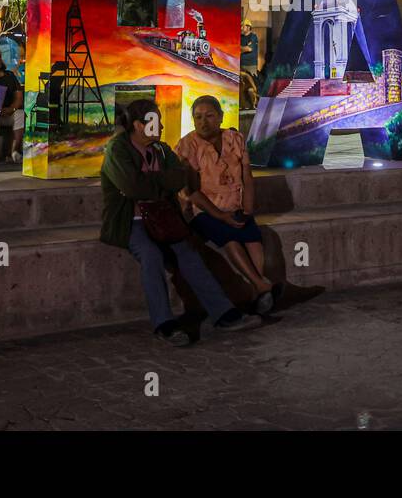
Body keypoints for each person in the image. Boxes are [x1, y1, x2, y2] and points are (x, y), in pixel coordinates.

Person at [100, 98, 257, 344]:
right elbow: (131, 187)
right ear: (140, 125)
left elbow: (179, 179)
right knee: (150, 255)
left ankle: (224, 313)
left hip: (164, 218)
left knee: (188, 253)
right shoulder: (117, 149)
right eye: (156, 122)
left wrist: (153, 183)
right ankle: (165, 323)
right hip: (131, 221)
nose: (161, 127)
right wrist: (161, 182)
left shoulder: (161, 150)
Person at [176, 95, 282, 313]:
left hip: (235, 204)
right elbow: (192, 192)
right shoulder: (187, 146)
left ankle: (258, 293)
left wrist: (247, 210)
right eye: (198, 117)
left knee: (253, 237)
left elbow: (247, 176)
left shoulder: (235, 139)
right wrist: (220, 215)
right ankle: (262, 285)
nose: (203, 122)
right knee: (229, 236)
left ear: (221, 117)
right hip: (203, 209)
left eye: (209, 116)